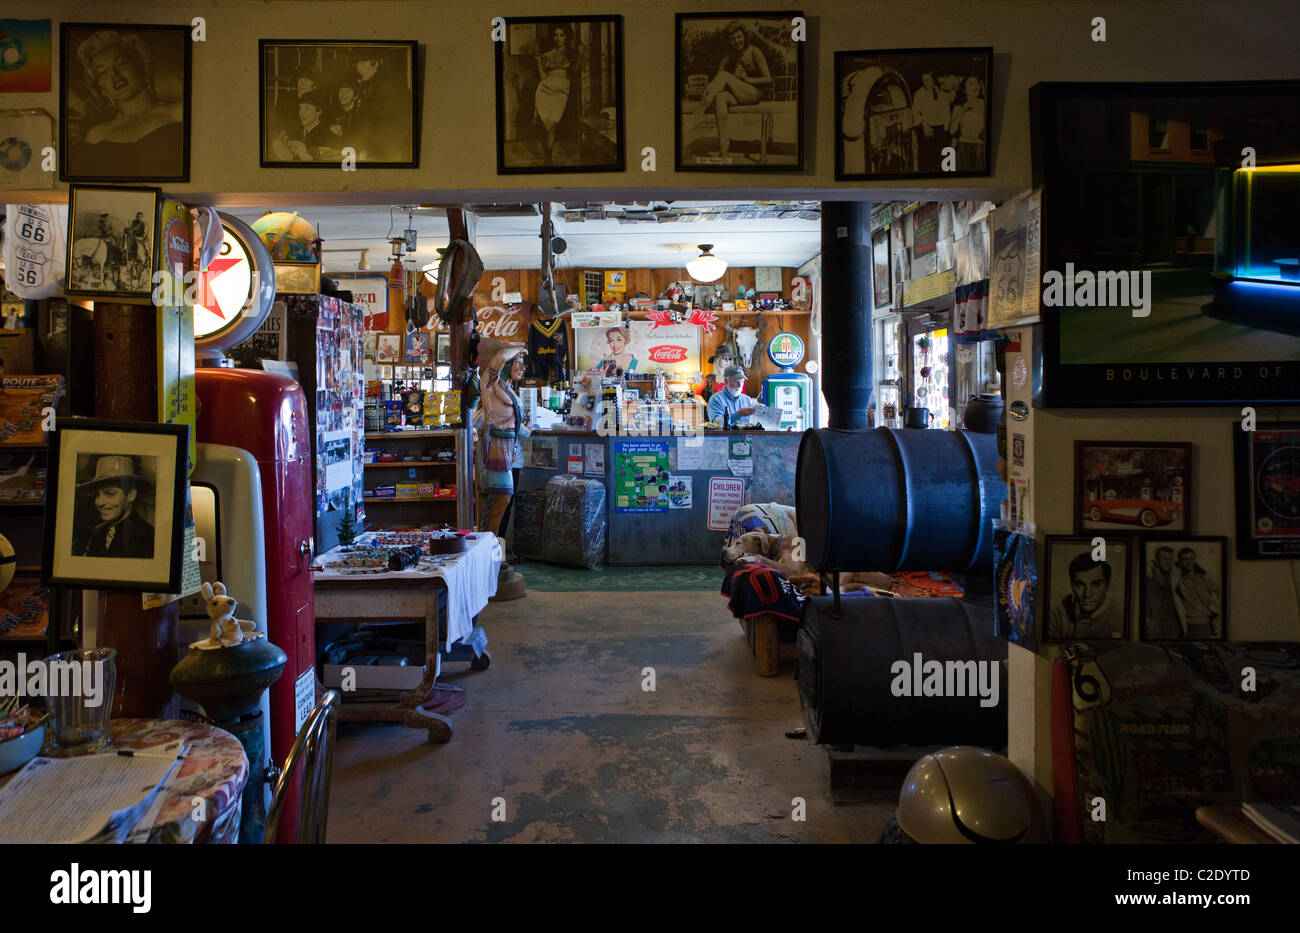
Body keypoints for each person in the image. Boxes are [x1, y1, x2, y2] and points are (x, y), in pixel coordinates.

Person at [73, 30, 184, 176]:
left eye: (122, 64)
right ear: (100, 88)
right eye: (102, 73)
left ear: (143, 67)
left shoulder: (180, 112)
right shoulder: (96, 135)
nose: (114, 74)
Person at [689, 21, 772, 160]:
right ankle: (723, 143)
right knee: (720, 97)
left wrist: (747, 80)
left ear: (744, 36)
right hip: (739, 94)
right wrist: (709, 89)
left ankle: (702, 108)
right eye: (733, 38)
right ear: (729, 40)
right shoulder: (729, 54)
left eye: (739, 37)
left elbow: (768, 79)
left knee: (725, 76)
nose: (737, 41)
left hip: (754, 94)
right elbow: (717, 76)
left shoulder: (754, 51)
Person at [475, 341, 530, 536]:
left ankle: (493, 547)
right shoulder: (490, 384)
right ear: (507, 363)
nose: (523, 367)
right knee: (498, 499)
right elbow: (497, 361)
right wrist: (517, 348)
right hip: (494, 448)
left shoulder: (507, 389)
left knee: (501, 499)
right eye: (518, 362)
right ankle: (489, 546)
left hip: (506, 449)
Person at [76, 455, 154, 559]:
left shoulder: (148, 536)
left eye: (110, 493)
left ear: (131, 495)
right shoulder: (97, 532)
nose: (99, 502)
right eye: (98, 494)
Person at [1048, 551, 1121, 639]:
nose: (1087, 594)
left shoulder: (1119, 617)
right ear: (1072, 586)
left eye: (1096, 584)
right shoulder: (1055, 615)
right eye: (1080, 585)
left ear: (1108, 585)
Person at [533, 25, 576, 164]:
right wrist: (539, 61)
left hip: (561, 90)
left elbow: (575, 73)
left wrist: (581, 55)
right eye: (555, 35)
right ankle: (548, 158)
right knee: (545, 125)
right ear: (552, 37)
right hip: (544, 89)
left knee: (552, 124)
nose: (558, 38)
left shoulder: (571, 53)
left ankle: (548, 157)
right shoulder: (547, 54)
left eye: (562, 35)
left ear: (567, 36)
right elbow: (543, 77)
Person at [1175, 547, 1220, 638]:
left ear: (1194, 560)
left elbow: (1219, 591)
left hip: (1203, 623)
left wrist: (1214, 610)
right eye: (1185, 559)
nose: (1189, 562)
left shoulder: (1204, 577)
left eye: (1191, 559)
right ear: (1180, 561)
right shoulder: (1177, 578)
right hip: (1186, 623)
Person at [911, 73, 952, 172]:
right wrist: (924, 125)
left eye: (928, 79)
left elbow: (947, 112)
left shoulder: (942, 93)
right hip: (926, 129)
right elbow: (915, 111)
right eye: (923, 80)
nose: (925, 83)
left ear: (934, 80)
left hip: (940, 130)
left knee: (941, 161)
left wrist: (945, 131)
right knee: (925, 161)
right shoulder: (919, 93)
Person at [947, 75, 986, 171]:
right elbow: (952, 131)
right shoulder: (959, 106)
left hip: (981, 147)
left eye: (977, 83)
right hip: (963, 147)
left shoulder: (985, 104)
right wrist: (962, 110)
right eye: (971, 83)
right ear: (964, 89)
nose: (976, 85)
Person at [1143, 545, 1184, 639]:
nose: (1168, 562)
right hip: (1153, 626)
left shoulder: (1175, 575)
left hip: (1173, 627)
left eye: (1170, 559)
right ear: (1157, 559)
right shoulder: (1149, 575)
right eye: (1165, 559)